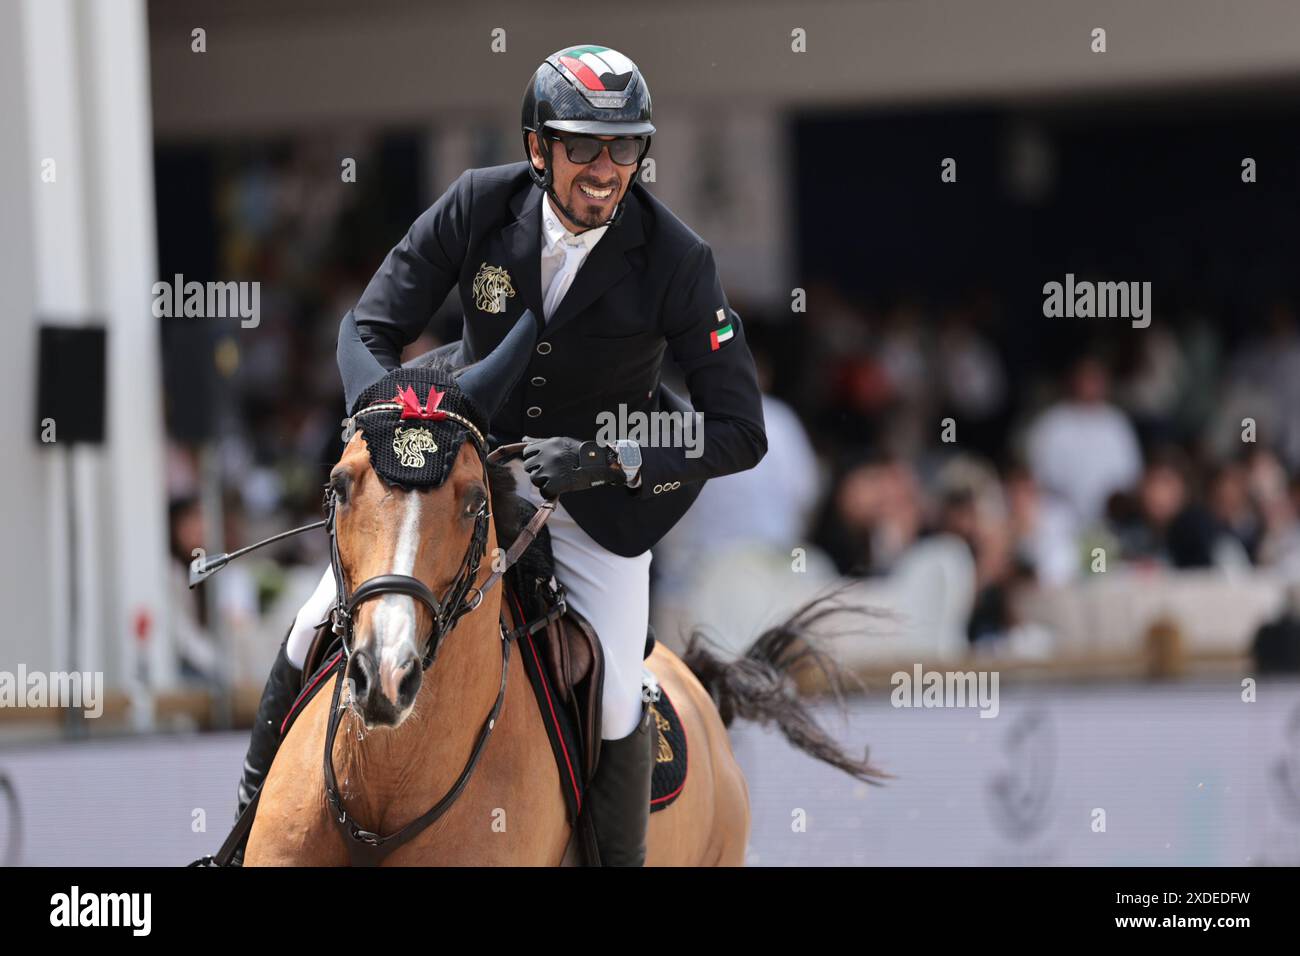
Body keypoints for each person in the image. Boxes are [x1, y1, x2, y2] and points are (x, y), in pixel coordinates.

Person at [234, 45, 767, 866]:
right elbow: (365, 329)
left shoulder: (676, 259)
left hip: (598, 505)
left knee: (620, 693)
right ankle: (238, 840)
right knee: (311, 626)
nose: (604, 168)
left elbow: (737, 427)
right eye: (582, 145)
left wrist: (607, 456)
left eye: (624, 147)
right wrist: (396, 425)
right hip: (457, 466)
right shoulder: (479, 204)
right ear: (536, 147)